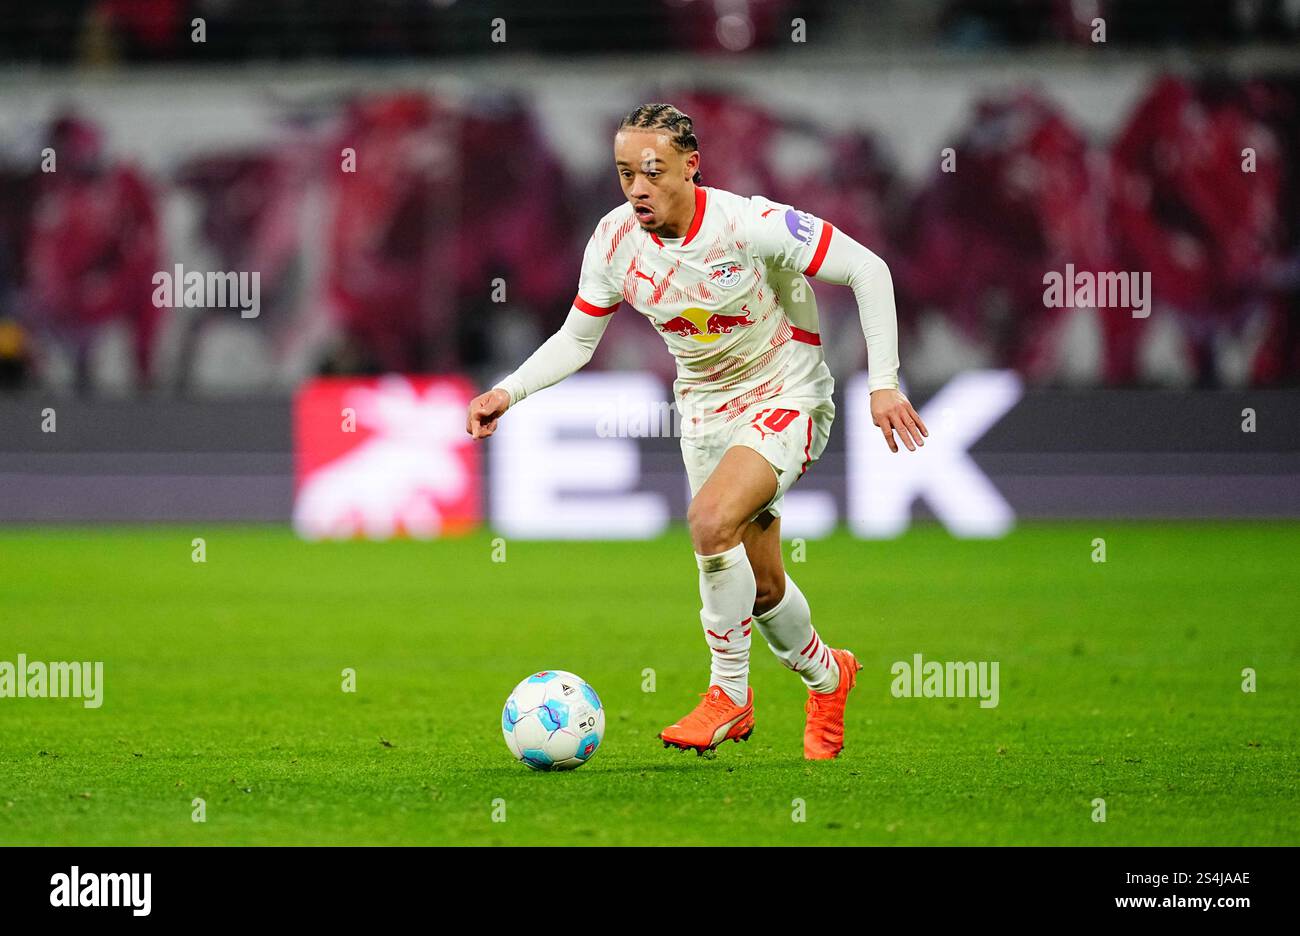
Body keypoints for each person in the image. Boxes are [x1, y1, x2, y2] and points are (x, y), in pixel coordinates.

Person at [467, 103, 926, 759]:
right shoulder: (615, 242)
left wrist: (884, 382)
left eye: (652, 172)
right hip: (706, 412)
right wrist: (508, 391)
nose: (637, 188)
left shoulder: (751, 224)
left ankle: (729, 696)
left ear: (691, 166)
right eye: (625, 173)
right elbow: (577, 338)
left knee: (710, 521)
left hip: (786, 392)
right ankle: (829, 675)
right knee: (762, 586)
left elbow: (868, 270)